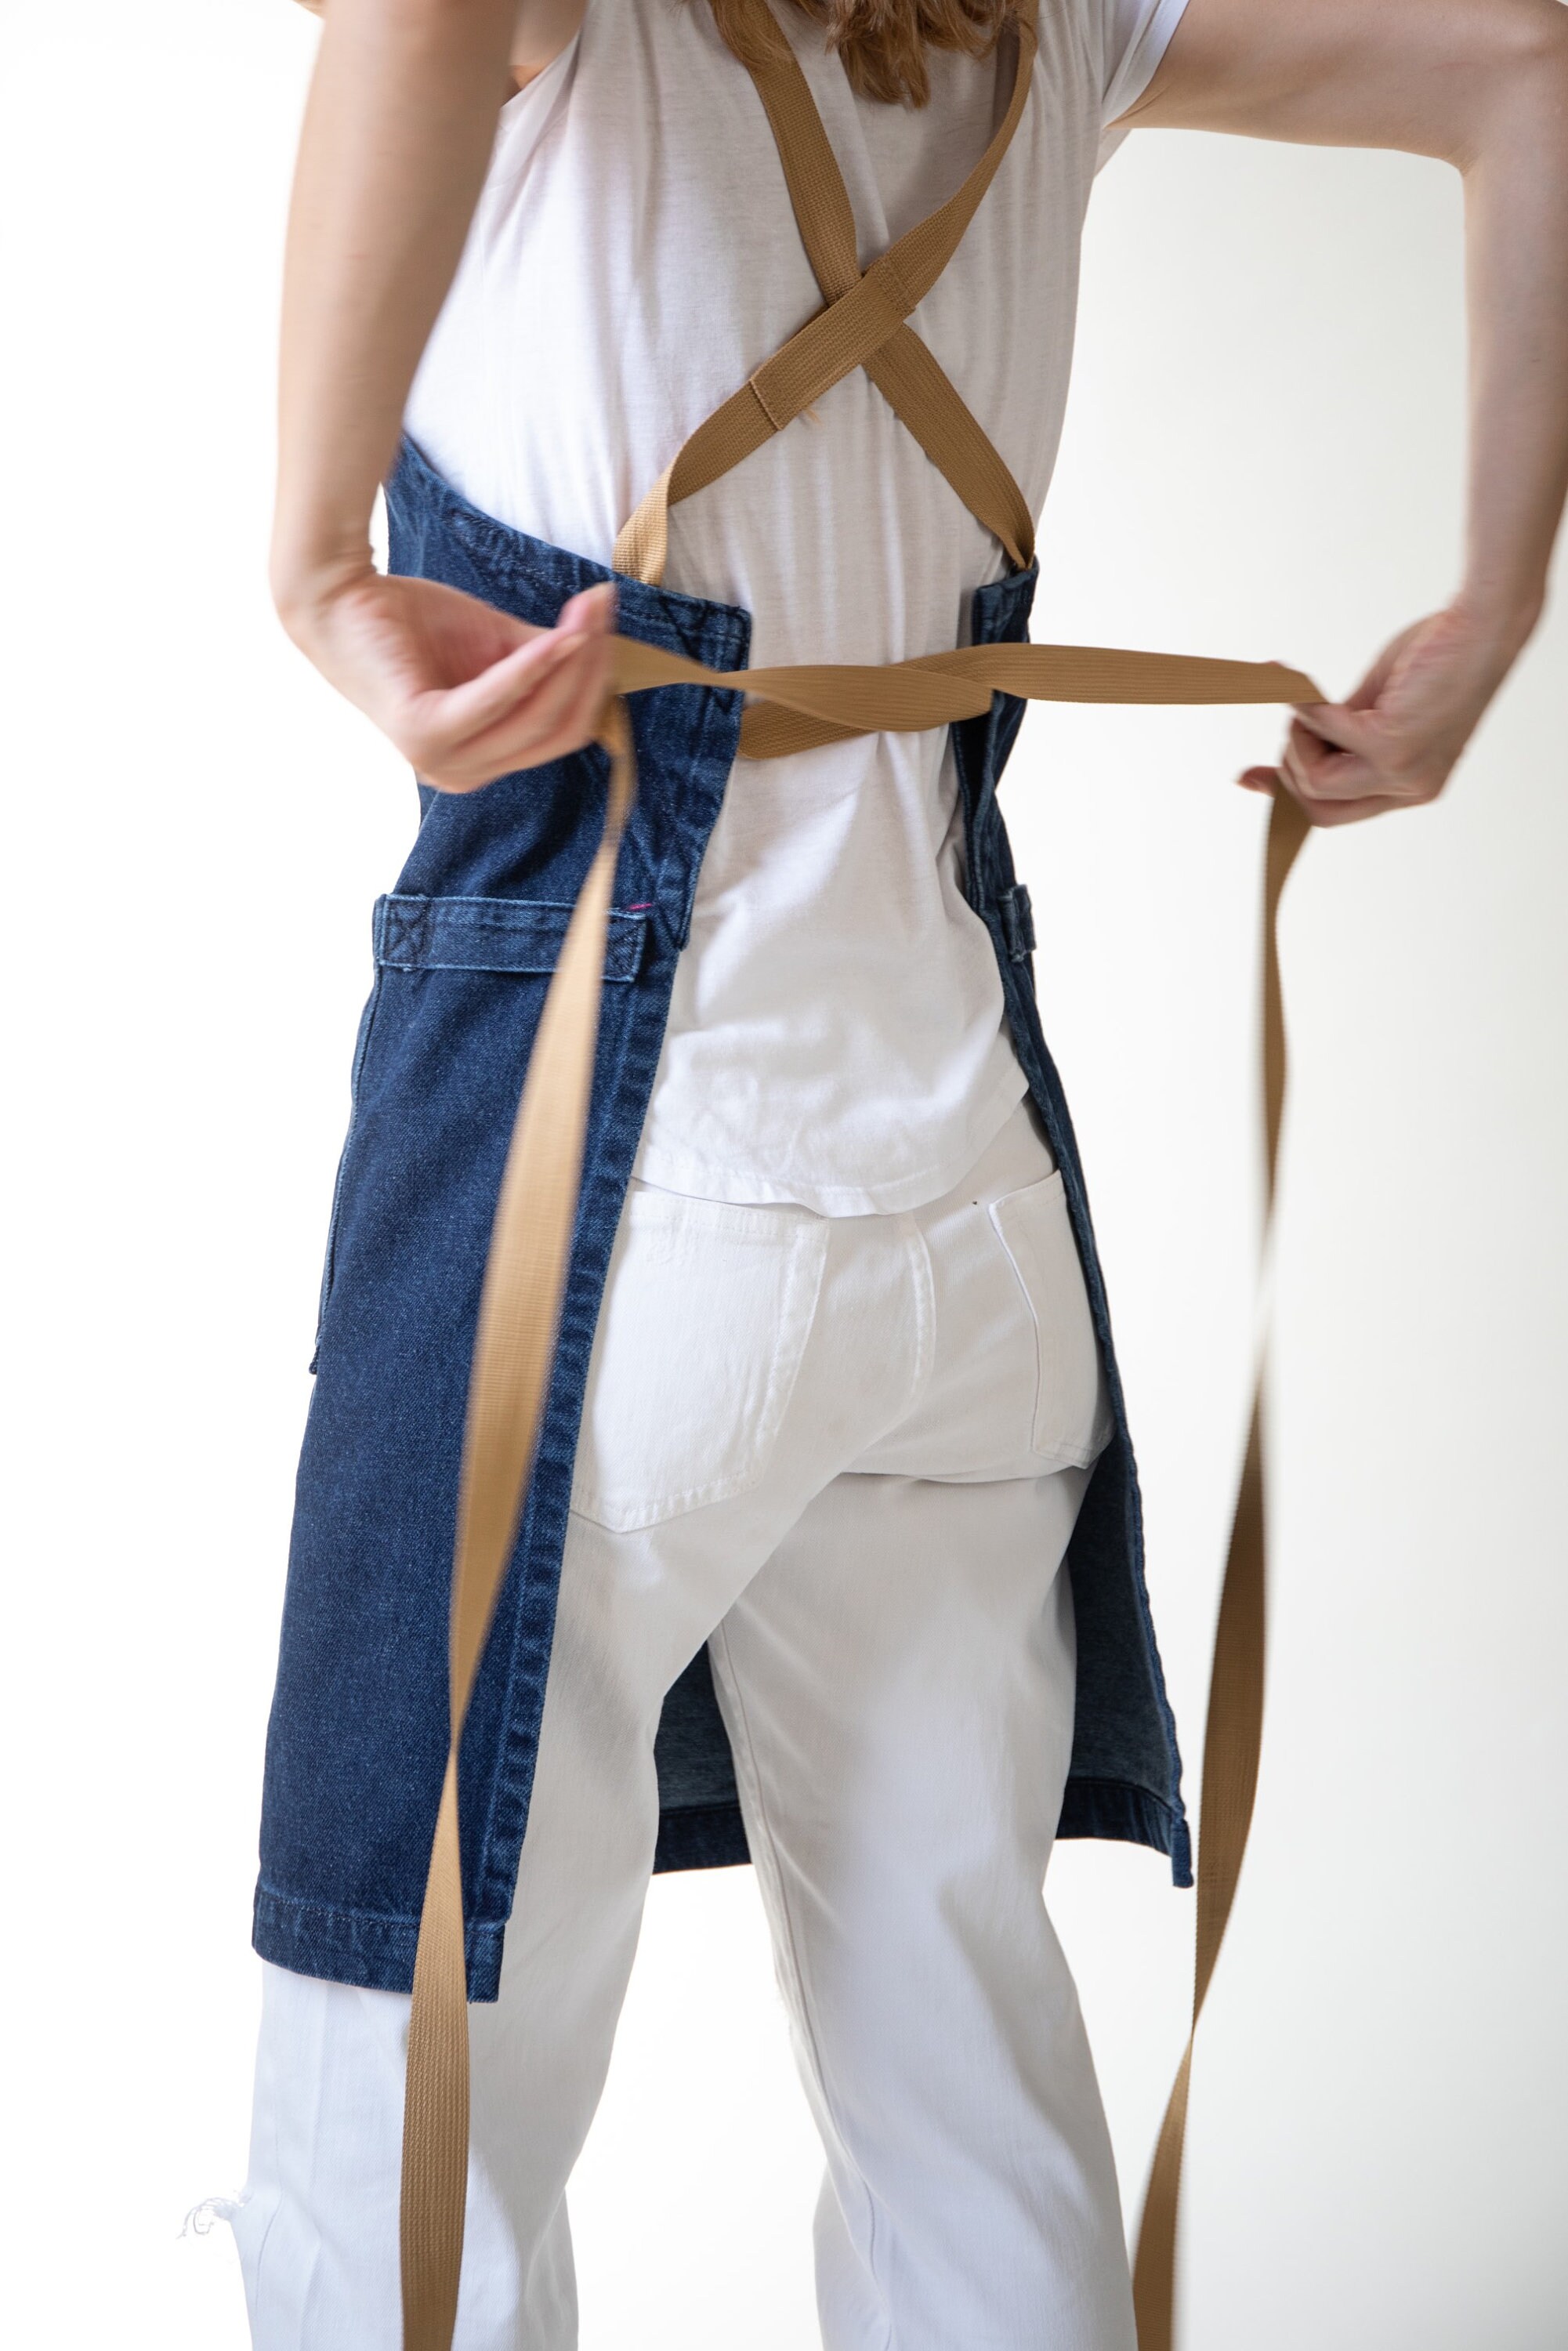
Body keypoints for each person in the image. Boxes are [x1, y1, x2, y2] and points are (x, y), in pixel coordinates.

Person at [234, 0, 1568, 2343]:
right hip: (967, 1230)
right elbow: (1530, 54)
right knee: (966, 2102)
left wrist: (314, 558)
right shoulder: (1046, 30)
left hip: (605, 1230)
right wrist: (1495, 606)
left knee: (414, 2082)